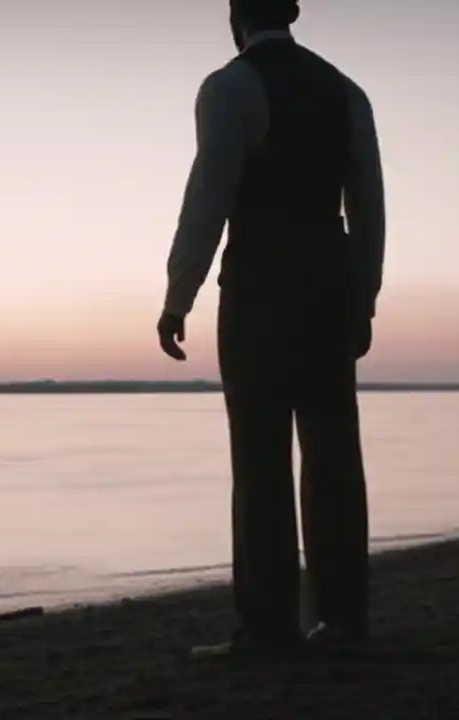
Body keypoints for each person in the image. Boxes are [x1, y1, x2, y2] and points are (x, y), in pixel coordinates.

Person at [157, 0, 385, 657]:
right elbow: (368, 205)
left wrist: (179, 295)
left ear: (236, 19)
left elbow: (209, 196)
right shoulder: (347, 93)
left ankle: (268, 628)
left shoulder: (229, 88)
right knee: (335, 458)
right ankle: (343, 621)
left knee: (260, 463)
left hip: (258, 289)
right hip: (327, 287)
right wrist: (363, 297)